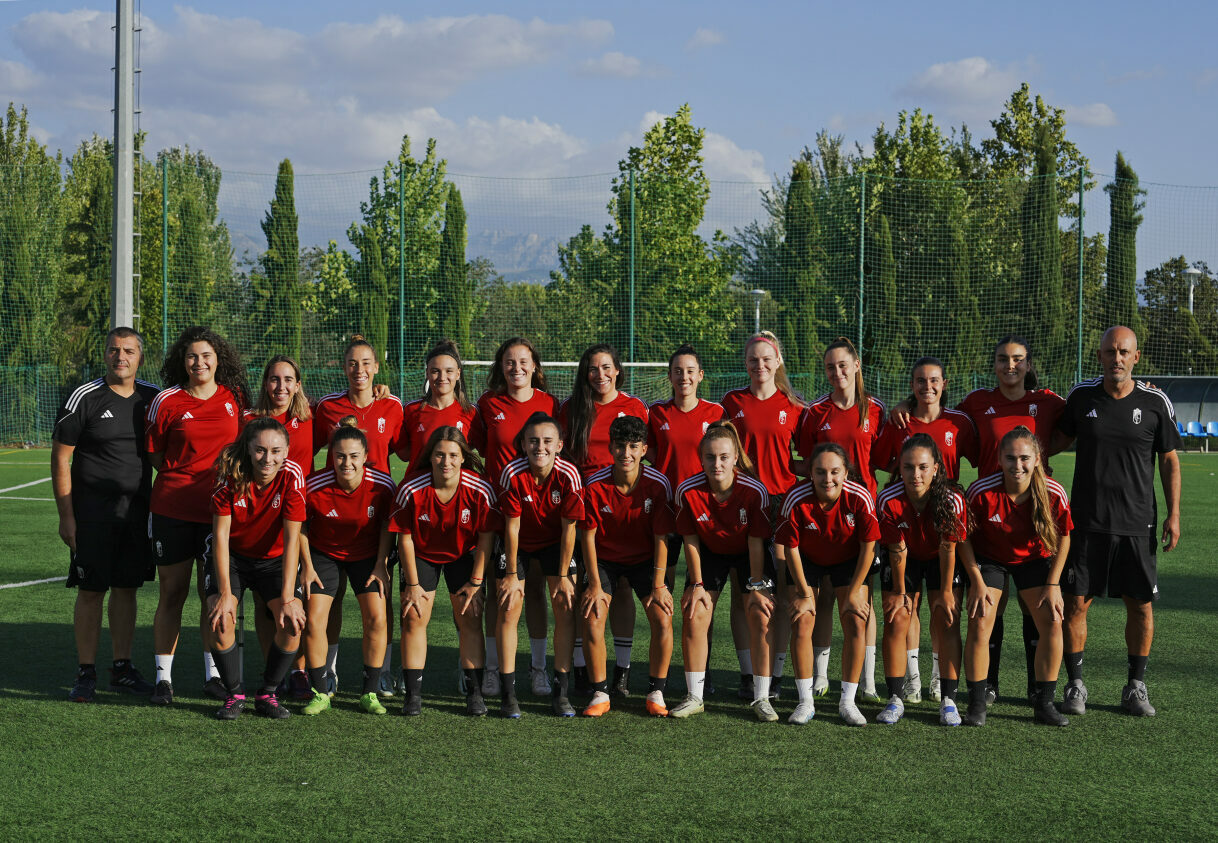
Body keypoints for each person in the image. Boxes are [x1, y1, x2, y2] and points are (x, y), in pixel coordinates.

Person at [892, 336, 1065, 706]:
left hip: (1032, 516)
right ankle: (986, 687)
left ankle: (1040, 692)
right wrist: (904, 405)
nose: (1010, 366)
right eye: (1003, 359)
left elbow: (1078, 423)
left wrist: (1139, 388)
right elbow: (937, 415)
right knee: (986, 610)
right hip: (985, 516)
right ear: (995, 364)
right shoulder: (975, 404)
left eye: (1018, 359)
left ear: (1029, 364)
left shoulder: (1049, 401)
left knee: (1038, 612)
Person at [1053, 326, 1182, 717]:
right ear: (1100, 356)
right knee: (1076, 604)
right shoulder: (1081, 396)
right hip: (1086, 523)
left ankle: (1135, 686)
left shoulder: (1156, 401)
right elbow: (1051, 441)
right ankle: (1075, 686)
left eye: (1124, 352)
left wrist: (1174, 514)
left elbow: (1169, 460)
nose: (1117, 359)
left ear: (1136, 357)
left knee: (1141, 606)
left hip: (1137, 524)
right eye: (1110, 352)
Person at [53, 327, 160, 702]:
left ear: (140, 357)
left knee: (127, 588)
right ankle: (85, 672)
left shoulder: (152, 398)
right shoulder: (85, 396)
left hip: (136, 514)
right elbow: (62, 457)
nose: (121, 357)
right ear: (105, 355)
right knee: (91, 589)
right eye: (115, 350)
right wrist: (67, 517)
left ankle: (122, 668)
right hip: (92, 515)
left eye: (129, 351)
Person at [146, 326, 248, 705]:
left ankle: (214, 676)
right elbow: (156, 456)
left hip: (217, 515)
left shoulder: (233, 398)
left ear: (218, 359)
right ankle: (163, 680)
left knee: (213, 597)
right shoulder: (166, 401)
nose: (199, 362)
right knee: (172, 594)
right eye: (192, 356)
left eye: (206, 355)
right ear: (182, 361)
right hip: (172, 509)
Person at [870, 356, 977, 703]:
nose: (927, 387)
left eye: (933, 380)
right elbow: (881, 461)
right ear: (912, 384)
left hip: (943, 519)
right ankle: (911, 679)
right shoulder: (900, 420)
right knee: (905, 608)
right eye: (920, 380)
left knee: (943, 609)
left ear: (944, 384)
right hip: (905, 519)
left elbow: (981, 457)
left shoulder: (959, 421)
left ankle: (938, 680)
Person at [961, 426, 1072, 727]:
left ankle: (1044, 702)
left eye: (1024, 458)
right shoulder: (981, 491)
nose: (1017, 465)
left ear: (1037, 459)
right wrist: (976, 580)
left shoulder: (1052, 491)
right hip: (990, 560)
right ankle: (976, 702)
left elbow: (1064, 538)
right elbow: (963, 538)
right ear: (999, 458)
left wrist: (1053, 585)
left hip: (1035, 560)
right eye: (1010, 458)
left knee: (1052, 621)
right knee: (981, 618)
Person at [469, 338, 561, 699]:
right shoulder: (489, 404)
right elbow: (471, 445)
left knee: (536, 591)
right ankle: (493, 670)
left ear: (535, 365)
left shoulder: (550, 404)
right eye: (509, 361)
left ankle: (538, 670)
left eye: (523, 361)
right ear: (500, 366)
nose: (516, 367)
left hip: (541, 516)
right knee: (500, 594)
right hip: (501, 515)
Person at [312, 335, 403, 696]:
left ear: (376, 367)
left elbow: (409, 449)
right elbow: (309, 446)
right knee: (329, 602)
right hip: (333, 512)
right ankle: (327, 671)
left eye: (366, 363)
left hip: (376, 515)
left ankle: (382, 671)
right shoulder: (326, 408)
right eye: (352, 363)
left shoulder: (392, 405)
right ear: (343, 366)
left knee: (382, 598)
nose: (359, 370)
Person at [796, 337, 885, 703]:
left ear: (857, 365)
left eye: (843, 365)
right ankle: (820, 675)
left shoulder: (877, 411)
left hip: (864, 513)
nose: (837, 373)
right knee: (826, 596)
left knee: (862, 598)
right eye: (830, 367)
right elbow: (803, 461)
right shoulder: (816, 413)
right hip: (826, 512)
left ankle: (867, 680)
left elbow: (887, 458)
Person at [669, 422, 777, 722]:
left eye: (724, 457)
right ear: (701, 458)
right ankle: (694, 696)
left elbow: (756, 542)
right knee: (695, 610)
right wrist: (698, 584)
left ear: (735, 458)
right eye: (710, 457)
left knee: (760, 612)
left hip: (748, 552)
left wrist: (756, 587)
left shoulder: (754, 491)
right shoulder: (687, 490)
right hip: (709, 552)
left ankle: (762, 696)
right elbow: (690, 541)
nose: (717, 464)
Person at [561, 344, 649, 699]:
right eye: (593, 368)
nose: (600, 375)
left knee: (622, 589)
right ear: (585, 373)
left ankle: (622, 671)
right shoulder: (571, 408)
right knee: (585, 591)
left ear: (618, 371)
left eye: (607, 368)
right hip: (583, 507)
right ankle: (582, 668)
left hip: (621, 506)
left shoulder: (634, 407)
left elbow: (645, 452)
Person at [391, 427, 499, 717]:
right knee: (414, 615)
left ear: (464, 458)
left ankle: (474, 693)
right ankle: (413, 695)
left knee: (471, 616)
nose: (446, 461)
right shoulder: (411, 488)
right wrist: (412, 584)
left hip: (464, 556)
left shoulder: (479, 488)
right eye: (440, 454)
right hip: (422, 555)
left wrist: (476, 582)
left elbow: (487, 537)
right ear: (431, 456)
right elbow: (404, 538)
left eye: (453, 455)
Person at [204, 417, 307, 720]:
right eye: (260, 450)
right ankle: (234, 693)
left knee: (292, 623)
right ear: (248, 448)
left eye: (276, 450)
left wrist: (288, 598)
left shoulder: (292, 475)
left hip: (274, 560)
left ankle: (267, 694)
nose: (268, 458)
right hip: (233, 557)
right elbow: (221, 537)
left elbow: (292, 541)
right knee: (221, 619)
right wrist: (224, 593)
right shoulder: (230, 474)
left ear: (287, 451)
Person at [720, 332, 803, 702]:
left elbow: (808, 457)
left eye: (767, 359)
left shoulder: (795, 406)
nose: (760, 365)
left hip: (782, 505)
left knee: (783, 594)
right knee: (744, 594)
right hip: (743, 504)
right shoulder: (732, 402)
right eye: (753, 359)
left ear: (778, 361)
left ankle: (778, 675)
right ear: (746, 363)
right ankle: (748, 674)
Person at [776, 443, 881, 726]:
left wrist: (856, 591)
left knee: (856, 619)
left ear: (846, 472)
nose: (828, 478)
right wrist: (802, 592)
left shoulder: (860, 497)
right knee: (802, 619)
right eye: (820, 472)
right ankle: (804, 701)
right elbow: (790, 549)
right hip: (806, 560)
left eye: (835, 471)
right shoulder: (796, 498)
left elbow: (869, 546)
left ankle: (847, 702)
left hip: (849, 561)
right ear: (810, 473)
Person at [579, 416, 675, 717]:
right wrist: (594, 584)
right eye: (620, 446)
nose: (626, 453)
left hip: (644, 561)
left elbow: (662, 538)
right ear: (610, 448)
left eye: (634, 446)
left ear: (644, 449)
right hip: (605, 561)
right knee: (593, 615)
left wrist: (659, 585)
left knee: (663, 616)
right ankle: (600, 692)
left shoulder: (658, 485)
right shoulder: (595, 485)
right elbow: (588, 538)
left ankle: (656, 690)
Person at [299, 419, 396, 716]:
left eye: (354, 456)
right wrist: (306, 565)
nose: (347, 462)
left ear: (366, 456)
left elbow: (386, 526)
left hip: (367, 556)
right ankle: (319, 691)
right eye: (340, 455)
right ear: (331, 455)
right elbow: (299, 526)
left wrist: (381, 564)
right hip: (323, 554)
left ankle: (369, 692)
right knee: (314, 619)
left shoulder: (382, 486)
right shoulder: (314, 485)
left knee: (377, 618)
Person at [875, 435, 972, 726]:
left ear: (936, 469)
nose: (915, 474)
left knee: (947, 617)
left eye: (922, 467)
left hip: (940, 556)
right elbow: (897, 551)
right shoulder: (888, 499)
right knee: (897, 618)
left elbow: (948, 547)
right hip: (905, 556)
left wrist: (944, 591)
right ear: (899, 469)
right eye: (908, 467)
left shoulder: (952, 499)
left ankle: (949, 700)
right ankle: (895, 698)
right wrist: (902, 592)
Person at [496, 412, 584, 718]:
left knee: (565, 603)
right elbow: (512, 527)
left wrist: (562, 576)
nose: (540, 447)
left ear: (559, 445)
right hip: (518, 543)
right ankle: (508, 694)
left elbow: (570, 529)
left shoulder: (569, 475)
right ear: (523, 443)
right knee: (508, 605)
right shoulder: (512, 472)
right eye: (533, 441)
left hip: (555, 543)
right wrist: (510, 574)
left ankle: (560, 692)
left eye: (547, 441)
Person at [244, 354, 314, 698]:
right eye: (274, 379)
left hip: (299, 519)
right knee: (263, 601)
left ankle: (298, 670)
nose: (281, 386)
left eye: (288, 380)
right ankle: (270, 665)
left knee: (297, 597)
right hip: (259, 520)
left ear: (297, 385)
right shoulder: (249, 420)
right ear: (265, 383)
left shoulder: (312, 417)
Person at [397, 340, 477, 471]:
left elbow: (484, 450)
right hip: (418, 488)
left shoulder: (472, 413)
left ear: (458, 374)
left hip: (455, 490)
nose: (442, 377)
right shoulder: (410, 410)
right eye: (435, 371)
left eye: (449, 371)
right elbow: (404, 454)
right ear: (427, 373)